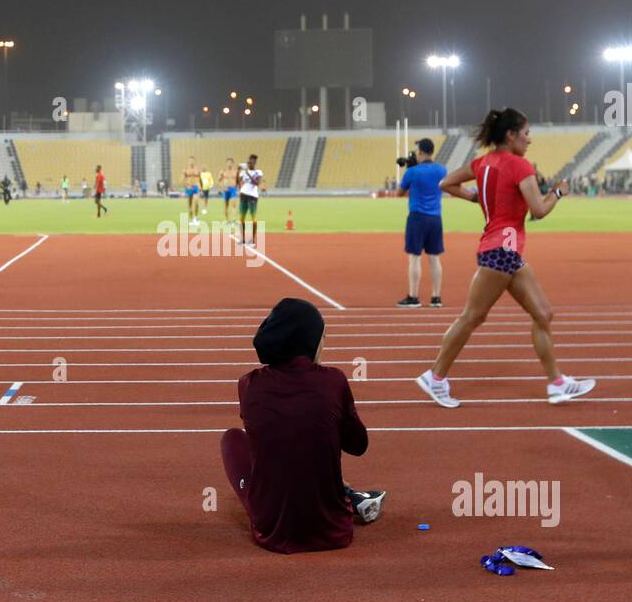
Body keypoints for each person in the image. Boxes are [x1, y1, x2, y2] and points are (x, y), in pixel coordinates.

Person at [417, 108, 595, 408]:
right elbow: (538, 210)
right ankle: (435, 378)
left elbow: (445, 184)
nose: (530, 140)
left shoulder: (482, 162)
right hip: (501, 249)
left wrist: (478, 198)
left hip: (506, 250)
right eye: (526, 134)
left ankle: (557, 383)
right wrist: (559, 193)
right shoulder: (519, 165)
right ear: (510, 135)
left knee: (542, 313)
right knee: (472, 316)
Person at [221, 298, 385, 554]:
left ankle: (267, 504)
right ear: (308, 341)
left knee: (233, 439)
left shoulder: (248, 384)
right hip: (332, 530)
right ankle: (346, 495)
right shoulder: (333, 380)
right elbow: (358, 445)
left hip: (272, 531)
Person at [396, 138, 448, 308]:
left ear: (421, 152)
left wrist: (410, 169)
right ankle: (436, 297)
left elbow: (399, 192)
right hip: (435, 217)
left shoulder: (412, 172)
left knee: (414, 258)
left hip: (417, 217)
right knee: (434, 258)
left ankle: (413, 296)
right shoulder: (442, 170)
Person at [238, 155, 264, 246]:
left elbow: (257, 183)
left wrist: (248, 174)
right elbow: (239, 181)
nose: (251, 163)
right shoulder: (243, 172)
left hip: (252, 197)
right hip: (243, 195)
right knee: (241, 217)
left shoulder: (258, 172)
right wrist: (238, 171)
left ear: (255, 163)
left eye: (253, 161)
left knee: (253, 217)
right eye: (250, 161)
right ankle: (243, 239)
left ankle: (253, 240)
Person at [181, 157, 201, 227]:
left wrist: (200, 187)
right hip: (189, 187)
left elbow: (200, 179)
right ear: (188, 161)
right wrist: (187, 185)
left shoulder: (198, 170)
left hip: (196, 187)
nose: (191, 162)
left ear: (194, 161)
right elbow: (182, 180)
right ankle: (192, 220)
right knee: (189, 204)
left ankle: (195, 218)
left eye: (192, 160)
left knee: (196, 202)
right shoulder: (185, 170)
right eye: (190, 161)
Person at [218, 158, 238, 222]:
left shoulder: (236, 172)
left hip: (233, 189)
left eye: (231, 163)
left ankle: (234, 219)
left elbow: (239, 181)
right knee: (226, 206)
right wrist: (222, 188)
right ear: (226, 163)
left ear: (233, 163)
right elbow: (219, 180)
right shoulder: (223, 171)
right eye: (228, 162)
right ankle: (226, 220)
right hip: (226, 189)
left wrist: (239, 189)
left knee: (234, 204)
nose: (229, 164)